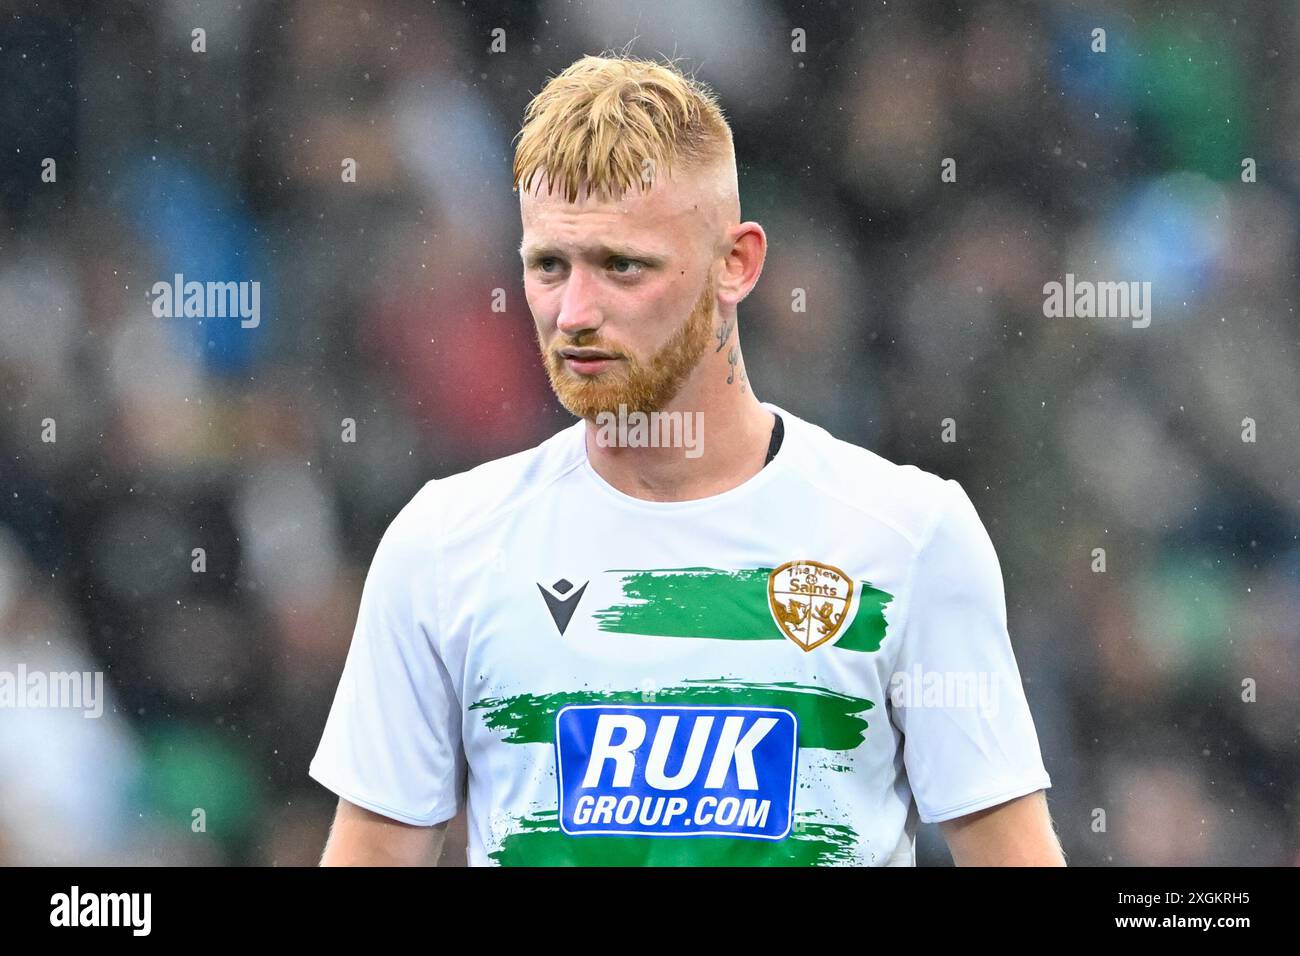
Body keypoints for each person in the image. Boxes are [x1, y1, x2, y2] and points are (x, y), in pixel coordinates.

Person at [309, 52, 1065, 866]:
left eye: (621, 265)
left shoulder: (907, 537)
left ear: (735, 264)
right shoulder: (443, 546)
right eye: (548, 266)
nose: (575, 313)